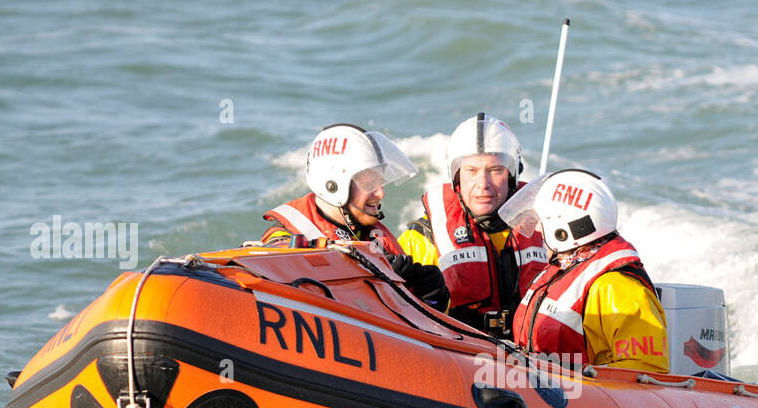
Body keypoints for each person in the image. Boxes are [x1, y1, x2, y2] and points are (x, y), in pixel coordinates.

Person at [258, 123, 448, 308]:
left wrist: (431, 298)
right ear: (333, 185)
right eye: (370, 183)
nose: (381, 193)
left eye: (380, 181)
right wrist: (364, 267)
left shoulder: (374, 238)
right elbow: (275, 264)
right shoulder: (287, 234)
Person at [505, 169, 669, 373]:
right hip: (544, 390)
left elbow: (644, 371)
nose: (537, 230)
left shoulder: (617, 288)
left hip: (578, 399)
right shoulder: (562, 269)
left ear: (562, 232)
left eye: (541, 222)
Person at [398, 113, 547, 334]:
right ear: (456, 176)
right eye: (472, 171)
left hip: (536, 356)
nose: (483, 184)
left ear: (512, 174)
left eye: (495, 170)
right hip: (460, 354)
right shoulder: (422, 238)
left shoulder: (549, 224)